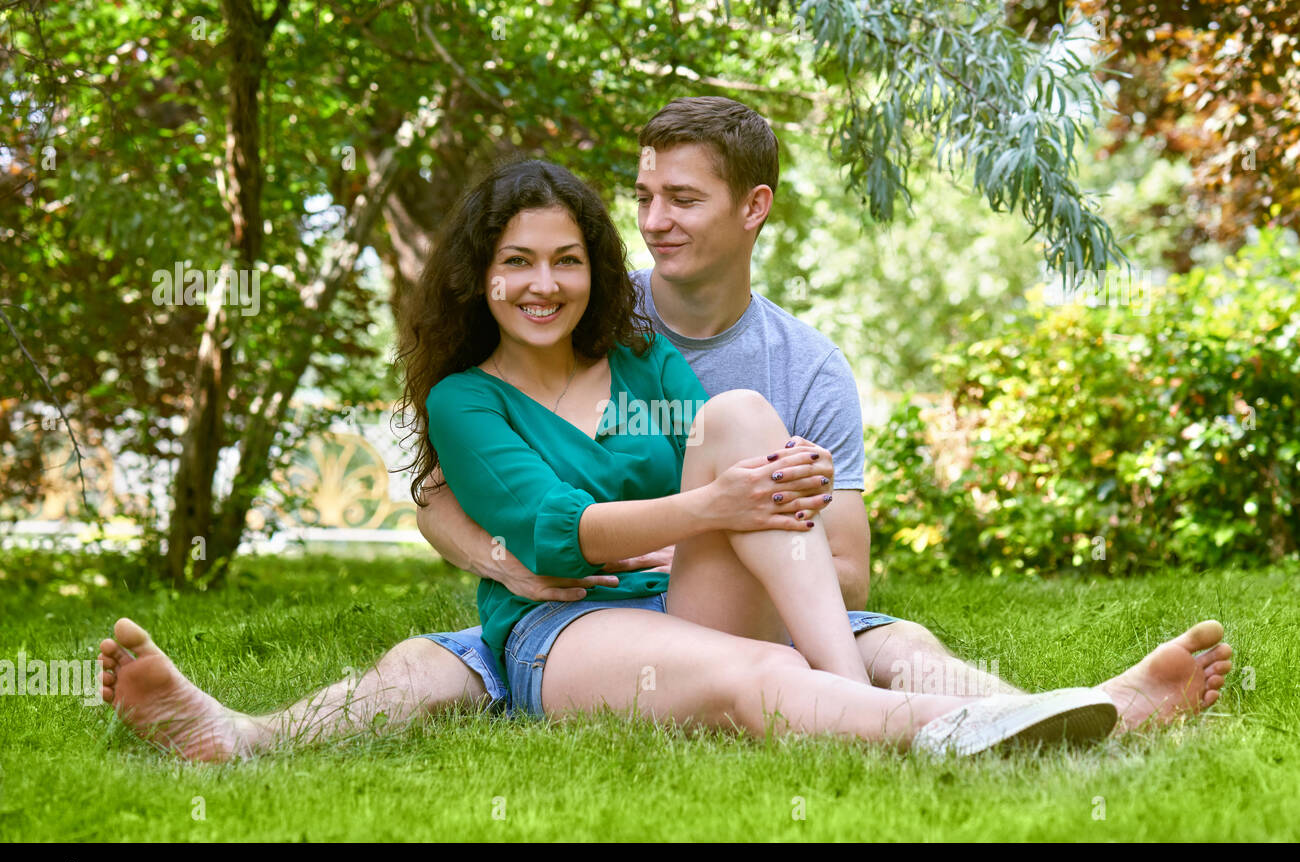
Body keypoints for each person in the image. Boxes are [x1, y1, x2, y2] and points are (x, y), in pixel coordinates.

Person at [97, 151, 1232, 760]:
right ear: (476, 279)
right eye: (513, 263)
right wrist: (724, 506)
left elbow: (722, 461)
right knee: (753, 679)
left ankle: (1077, 711)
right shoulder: (464, 400)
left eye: (566, 259)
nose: (542, 284)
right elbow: (550, 535)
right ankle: (943, 732)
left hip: (684, 594)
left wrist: (753, 486)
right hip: (572, 623)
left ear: (598, 268)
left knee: (745, 421)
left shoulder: (641, 359)